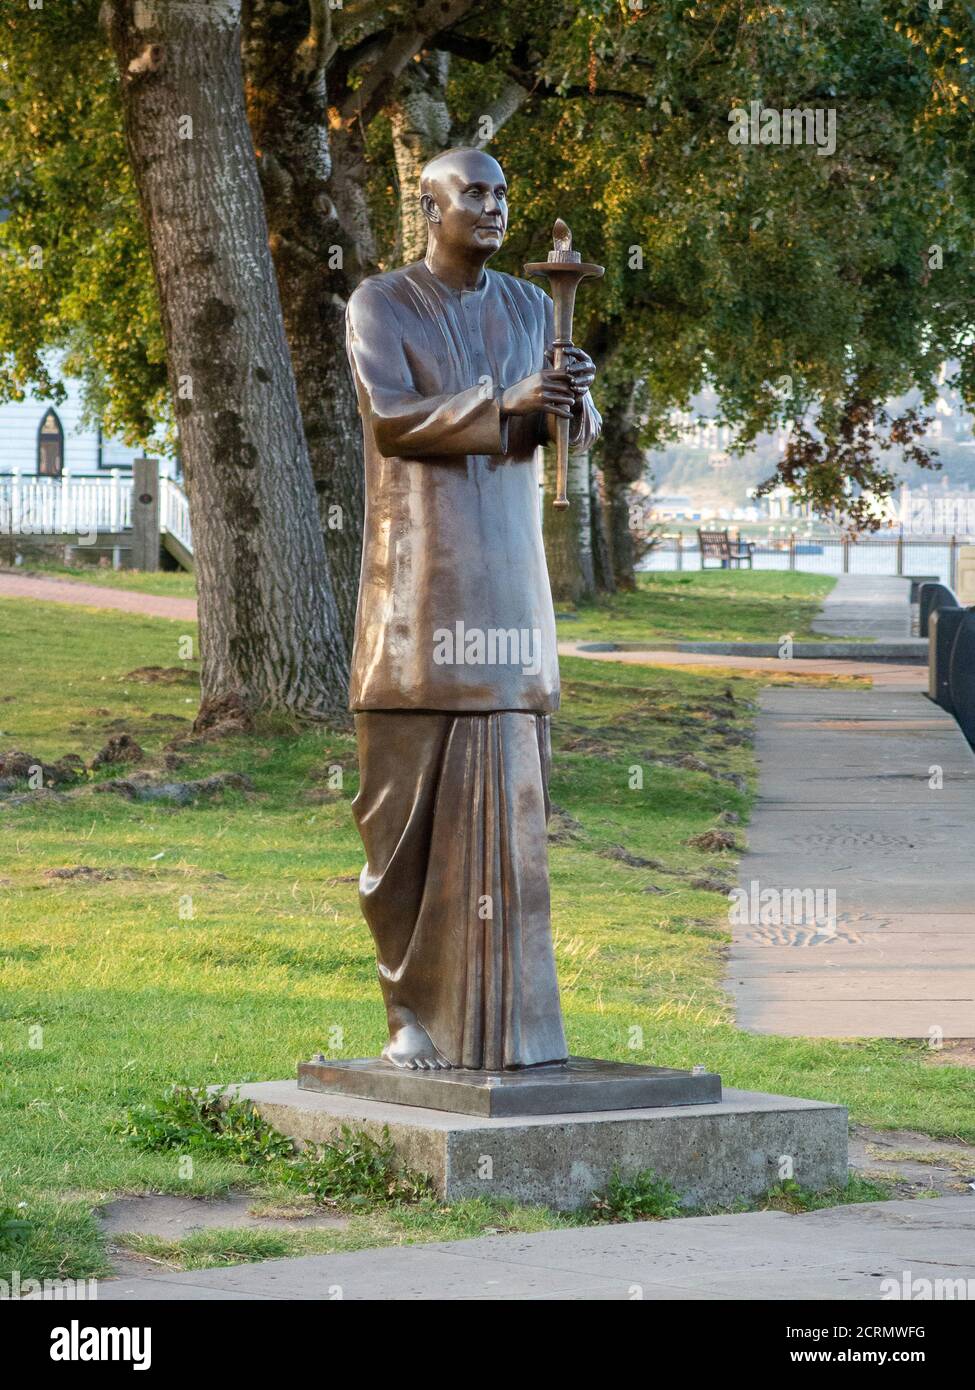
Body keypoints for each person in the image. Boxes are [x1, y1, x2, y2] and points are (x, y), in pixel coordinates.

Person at [345, 147, 600, 1070]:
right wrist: (510, 398)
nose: (493, 208)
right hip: (417, 595)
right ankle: (411, 1013)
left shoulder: (533, 307)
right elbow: (390, 419)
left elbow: (553, 425)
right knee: (399, 830)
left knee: (515, 820)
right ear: (430, 207)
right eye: (475, 193)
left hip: (509, 591)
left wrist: (573, 403)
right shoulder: (379, 302)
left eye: (501, 192)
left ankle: (516, 1024)